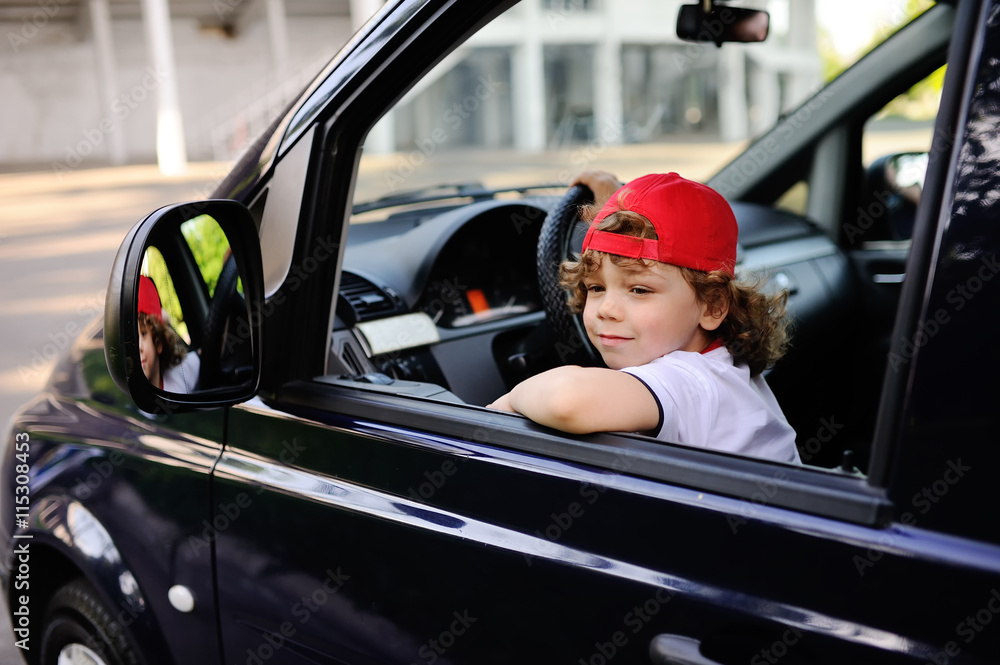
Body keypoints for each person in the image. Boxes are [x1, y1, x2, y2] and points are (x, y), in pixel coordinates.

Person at [487, 171, 800, 463]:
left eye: (638, 290)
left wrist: (511, 400)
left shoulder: (691, 383)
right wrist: (615, 196)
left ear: (712, 306)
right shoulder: (723, 360)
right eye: (596, 287)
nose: (606, 309)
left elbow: (566, 401)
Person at [138, 275, 200, 393]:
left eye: (143, 333)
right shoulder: (131, 405)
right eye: (130, 338)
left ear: (159, 342)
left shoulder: (181, 373)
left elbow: (207, 355)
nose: (137, 346)